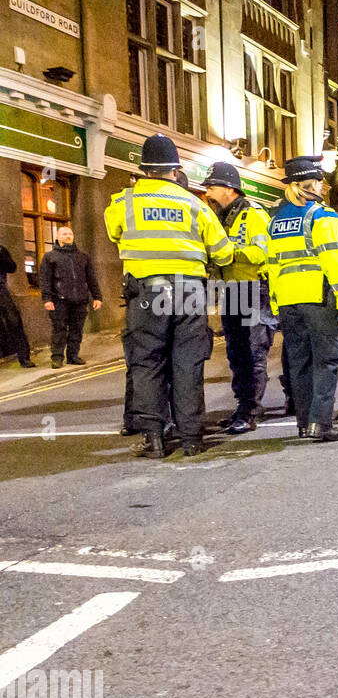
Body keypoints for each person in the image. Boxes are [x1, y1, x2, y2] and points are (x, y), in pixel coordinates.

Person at [104, 134, 233, 458]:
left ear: (145, 171)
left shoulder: (124, 202)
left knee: (147, 363)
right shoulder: (194, 204)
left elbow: (112, 232)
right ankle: (191, 438)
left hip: (147, 292)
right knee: (188, 364)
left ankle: (154, 439)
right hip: (189, 291)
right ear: (175, 170)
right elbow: (224, 253)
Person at [266, 155, 338, 442]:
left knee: (299, 363)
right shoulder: (322, 215)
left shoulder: (276, 219)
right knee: (326, 361)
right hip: (317, 296)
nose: (323, 187)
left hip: (289, 301)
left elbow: (272, 265)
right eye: (320, 182)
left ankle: (304, 424)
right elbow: (335, 257)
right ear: (312, 184)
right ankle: (321, 424)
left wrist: (276, 302)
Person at [201, 162, 274, 434]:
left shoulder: (252, 214)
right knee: (236, 353)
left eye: (212, 186)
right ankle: (242, 406)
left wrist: (229, 253)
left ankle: (250, 410)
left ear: (230, 189)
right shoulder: (222, 216)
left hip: (253, 289)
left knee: (252, 351)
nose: (208, 191)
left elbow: (263, 253)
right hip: (231, 290)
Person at [38, 226, 101, 368]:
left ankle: (73, 356)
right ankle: (57, 357)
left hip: (80, 300)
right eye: (64, 234)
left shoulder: (83, 257)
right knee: (59, 329)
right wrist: (47, 299)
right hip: (59, 300)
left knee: (76, 330)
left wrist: (97, 296)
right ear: (58, 237)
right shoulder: (50, 257)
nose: (68, 236)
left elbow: (91, 278)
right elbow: (45, 279)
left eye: (70, 234)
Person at [0, 246, 34, 367]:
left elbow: (12, 268)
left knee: (14, 322)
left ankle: (24, 357)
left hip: (1, 291)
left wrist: (2, 256)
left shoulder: (1, 249)